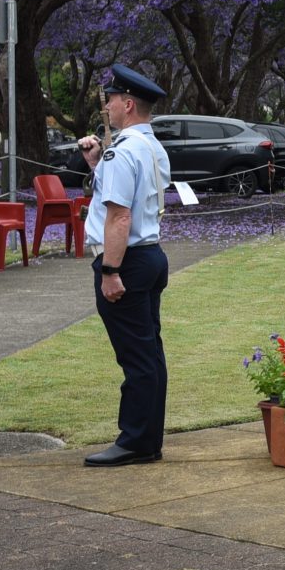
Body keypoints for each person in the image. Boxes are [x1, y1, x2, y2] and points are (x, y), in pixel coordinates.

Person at [79, 66, 174, 467]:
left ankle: (134, 441)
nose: (109, 107)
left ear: (128, 104)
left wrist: (109, 271)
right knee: (150, 354)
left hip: (128, 262)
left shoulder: (123, 149)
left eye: (113, 100)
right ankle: (148, 439)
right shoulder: (151, 146)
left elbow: (118, 216)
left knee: (136, 358)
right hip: (150, 255)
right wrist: (97, 163)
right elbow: (139, 195)